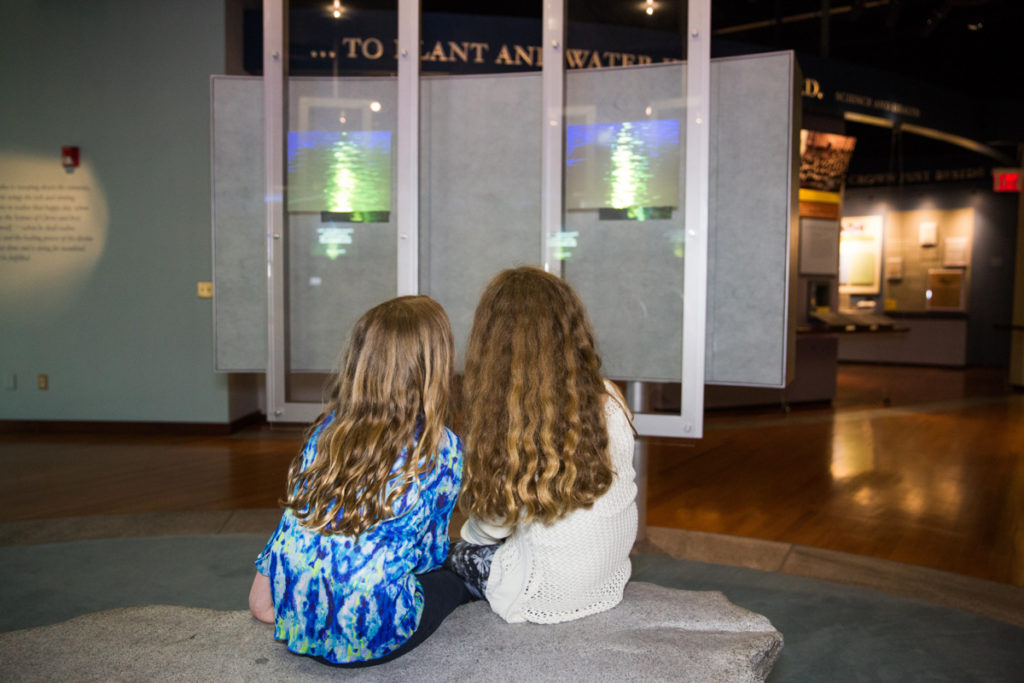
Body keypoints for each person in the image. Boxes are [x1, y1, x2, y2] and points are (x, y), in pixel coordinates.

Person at [248, 296, 470, 666]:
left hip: (298, 620)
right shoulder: (442, 448)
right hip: (370, 634)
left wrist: (263, 594)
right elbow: (428, 554)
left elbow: (294, 519)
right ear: (435, 368)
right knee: (449, 576)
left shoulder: (326, 431)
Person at [445, 266, 638, 624]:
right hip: (608, 574)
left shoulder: (509, 417)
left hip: (547, 589)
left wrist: (465, 534)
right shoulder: (609, 397)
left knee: (447, 555)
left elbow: (492, 527)